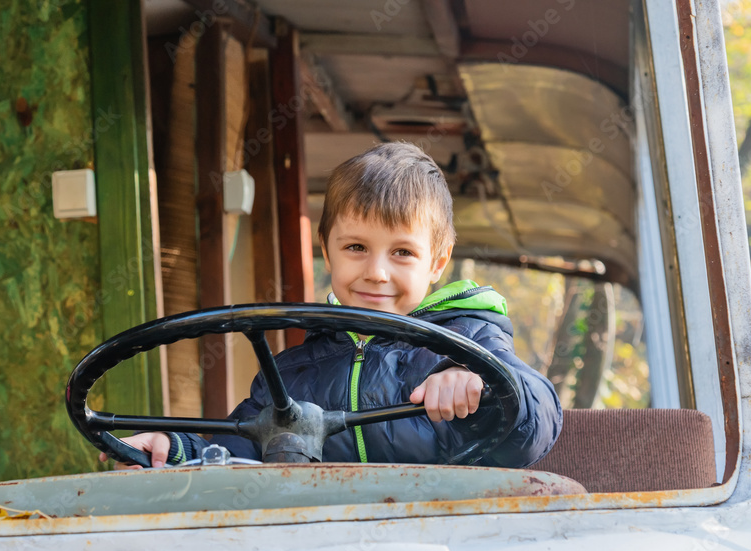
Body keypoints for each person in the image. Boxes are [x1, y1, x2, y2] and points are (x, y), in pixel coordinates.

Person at [102, 142, 562, 469]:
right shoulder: (292, 373)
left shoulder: (468, 344)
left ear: (437, 262)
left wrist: (482, 389)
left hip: (440, 544)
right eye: (356, 247)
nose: (376, 272)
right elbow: (240, 458)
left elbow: (538, 423)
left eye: (402, 252)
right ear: (327, 250)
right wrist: (174, 450)